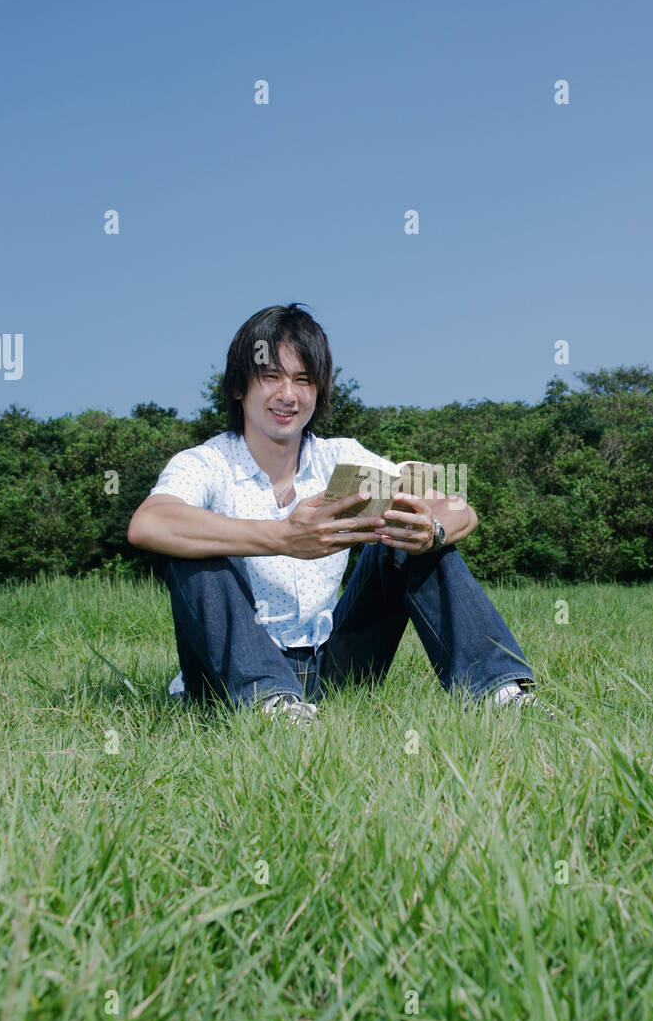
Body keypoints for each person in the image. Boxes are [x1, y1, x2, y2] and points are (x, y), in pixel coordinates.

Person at [127, 304, 552, 726]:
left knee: (409, 530)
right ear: (239, 386)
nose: (287, 395)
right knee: (193, 544)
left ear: (319, 391)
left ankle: (500, 693)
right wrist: (283, 537)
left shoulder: (341, 458)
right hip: (223, 674)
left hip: (332, 666)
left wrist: (432, 529)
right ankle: (267, 704)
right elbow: (149, 523)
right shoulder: (206, 462)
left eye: (303, 380)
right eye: (271, 376)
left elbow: (460, 507)